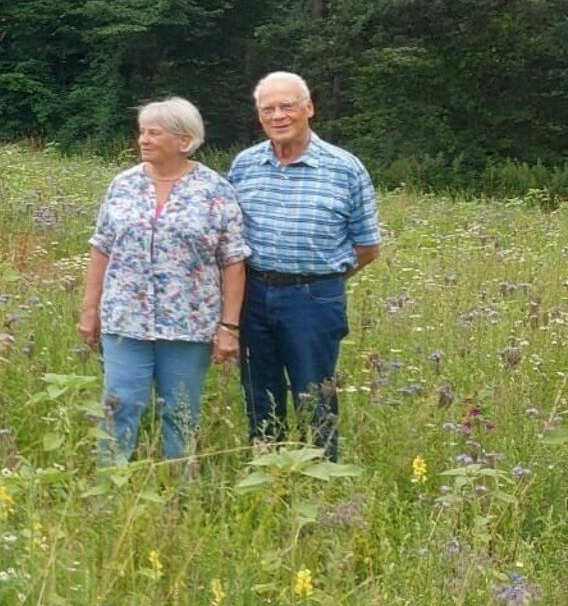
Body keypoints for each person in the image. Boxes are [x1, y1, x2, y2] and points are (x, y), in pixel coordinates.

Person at [78, 98, 249, 463]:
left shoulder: (215, 190)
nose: (143, 139)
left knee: (181, 412)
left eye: (154, 133)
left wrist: (228, 327)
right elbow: (101, 249)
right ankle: (111, 485)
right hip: (125, 320)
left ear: (184, 140)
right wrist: (89, 311)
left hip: (189, 324)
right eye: (142, 131)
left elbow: (233, 261)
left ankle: (180, 491)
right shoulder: (123, 184)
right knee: (119, 404)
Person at [229, 71, 381, 458]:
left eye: (287, 106)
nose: (278, 115)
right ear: (259, 117)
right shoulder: (244, 166)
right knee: (259, 389)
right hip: (253, 293)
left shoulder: (345, 168)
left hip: (314, 296)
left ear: (309, 108)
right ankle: (268, 466)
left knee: (314, 392)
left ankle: (321, 474)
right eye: (268, 109)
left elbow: (367, 246)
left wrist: (320, 280)